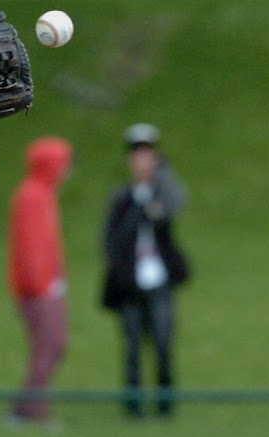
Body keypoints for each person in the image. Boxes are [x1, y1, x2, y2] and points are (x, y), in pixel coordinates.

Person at [100, 122, 190, 419]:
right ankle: (133, 405)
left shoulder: (163, 192)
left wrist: (163, 172)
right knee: (132, 347)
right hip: (130, 283)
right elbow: (110, 239)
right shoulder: (121, 197)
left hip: (158, 279)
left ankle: (165, 403)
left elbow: (176, 202)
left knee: (163, 343)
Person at [6, 136, 74, 428]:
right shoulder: (33, 196)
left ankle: (31, 409)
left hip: (46, 285)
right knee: (50, 346)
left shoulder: (41, 193)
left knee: (51, 346)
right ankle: (28, 412)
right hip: (39, 289)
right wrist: (42, 286)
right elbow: (31, 247)